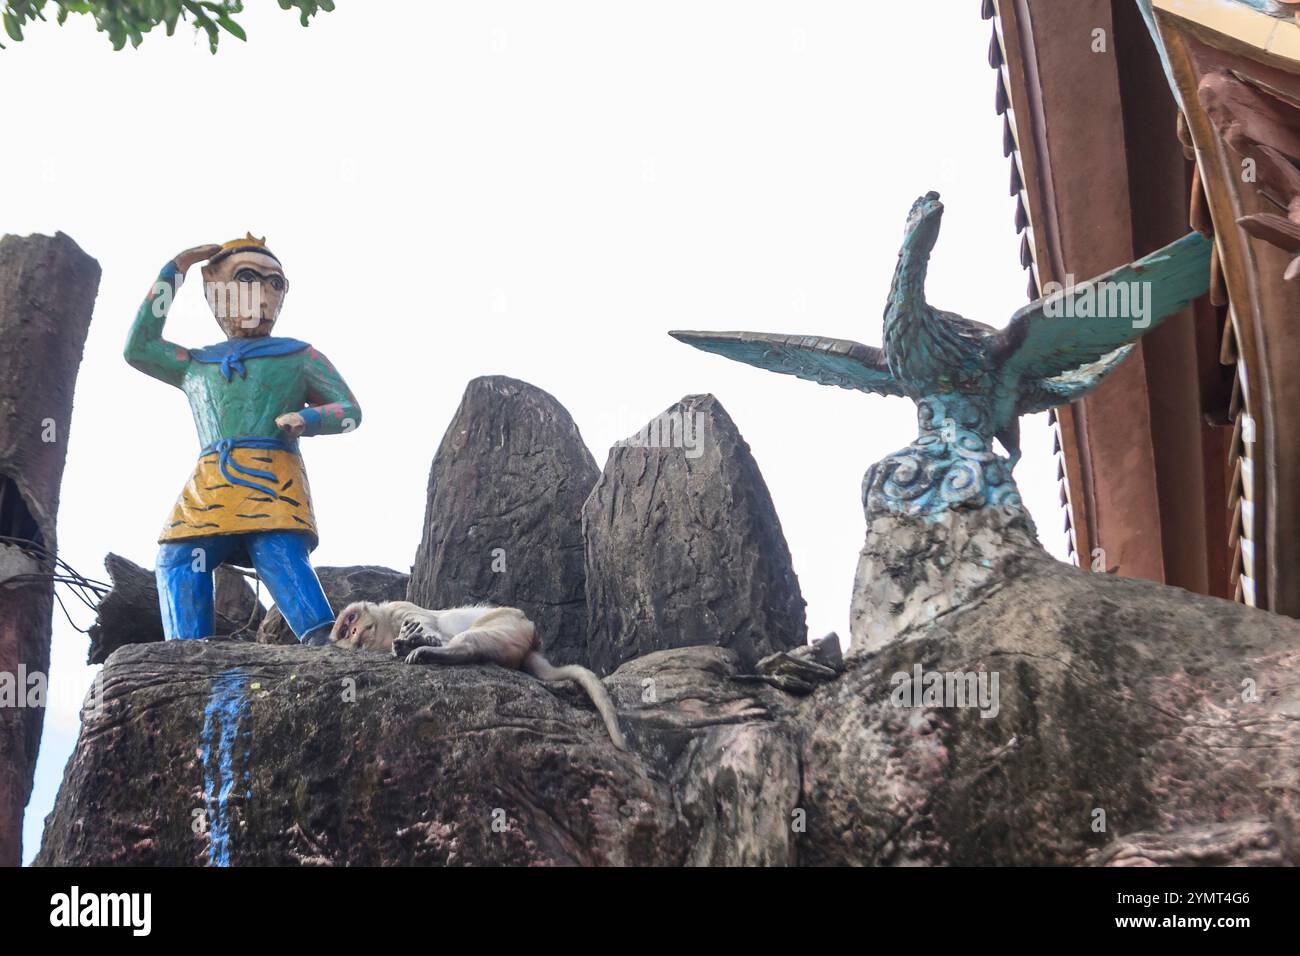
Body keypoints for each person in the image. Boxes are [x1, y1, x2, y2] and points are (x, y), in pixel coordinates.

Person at [125, 234, 361, 645]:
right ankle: (186, 651)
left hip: (273, 476)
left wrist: (307, 418)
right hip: (211, 481)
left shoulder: (298, 356)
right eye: (249, 278)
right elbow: (139, 347)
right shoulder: (197, 364)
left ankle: (321, 639)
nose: (265, 295)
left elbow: (349, 412)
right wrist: (173, 272)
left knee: (277, 551)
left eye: (276, 283)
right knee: (179, 558)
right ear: (215, 289)